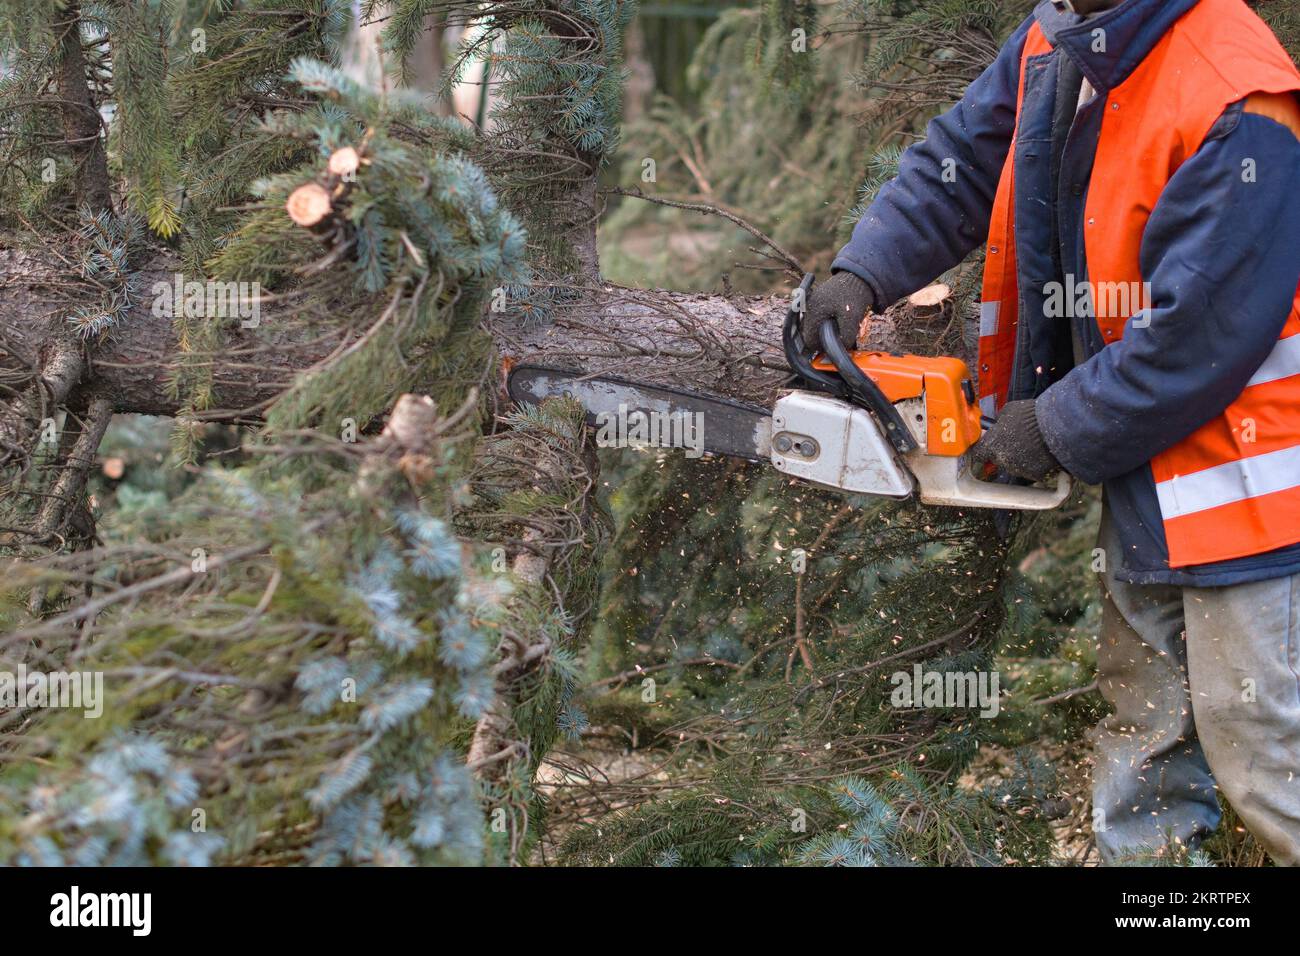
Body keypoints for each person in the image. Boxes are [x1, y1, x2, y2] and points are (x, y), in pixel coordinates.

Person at [802, 0, 1300, 864]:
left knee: (1266, 756)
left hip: (1255, 493)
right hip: (1150, 473)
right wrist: (864, 271)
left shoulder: (1238, 91)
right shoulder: (1060, 37)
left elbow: (1199, 334)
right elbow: (961, 159)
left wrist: (1056, 425)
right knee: (1144, 736)